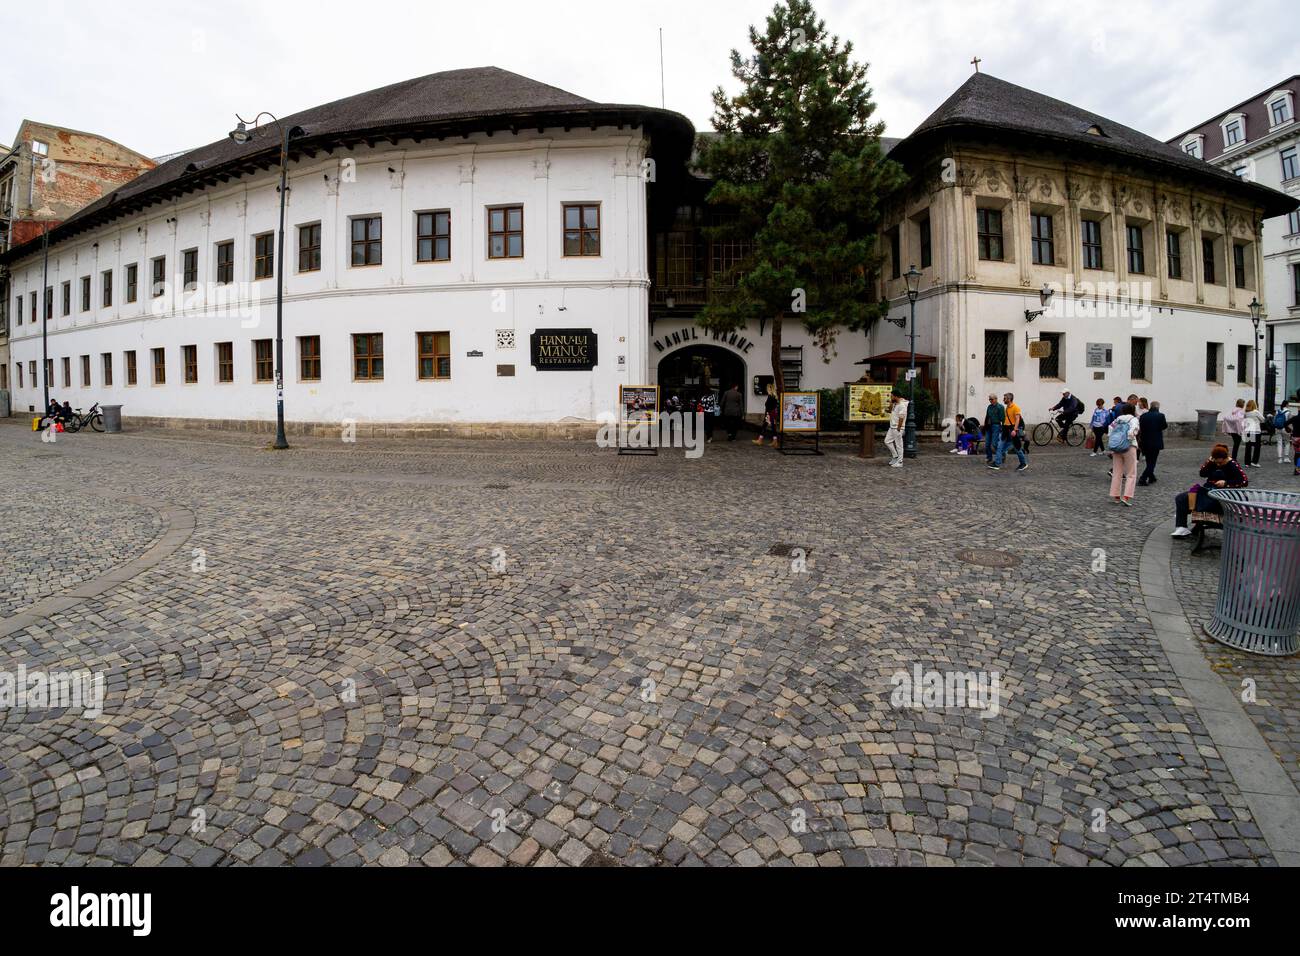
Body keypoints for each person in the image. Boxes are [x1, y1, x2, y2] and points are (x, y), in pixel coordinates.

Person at [1171, 444, 1249, 537]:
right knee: (1181, 498)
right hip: (1207, 490)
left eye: (1221, 463)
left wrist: (1226, 483)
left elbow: (1244, 481)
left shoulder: (1232, 464)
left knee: (1200, 498)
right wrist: (1208, 462)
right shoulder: (1213, 462)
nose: (1218, 465)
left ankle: (1187, 510)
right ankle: (1181, 527)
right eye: (1217, 462)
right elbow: (1202, 473)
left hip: (1222, 496)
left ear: (1225, 458)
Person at [1107, 403, 1140, 506]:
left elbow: (1110, 428)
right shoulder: (1133, 419)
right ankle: (1126, 497)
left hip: (1116, 448)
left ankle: (1116, 496)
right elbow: (1134, 430)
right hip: (1129, 447)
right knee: (1131, 473)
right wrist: (1129, 437)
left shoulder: (1118, 419)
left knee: (1117, 472)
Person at [994, 391, 1028, 472]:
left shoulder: (1015, 407)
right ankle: (997, 463)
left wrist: (1015, 430)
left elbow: (1017, 419)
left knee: (1017, 448)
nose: (1003, 400)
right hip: (1006, 430)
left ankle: (1023, 463)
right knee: (1000, 446)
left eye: (1005, 398)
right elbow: (1007, 420)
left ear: (1009, 399)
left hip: (1012, 430)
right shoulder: (1007, 408)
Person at [1137, 401, 1167, 486]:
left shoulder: (1143, 416)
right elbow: (1164, 426)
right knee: (1152, 462)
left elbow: (1141, 427)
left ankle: (1151, 477)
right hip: (1155, 441)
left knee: (1149, 461)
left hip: (1144, 442)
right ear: (1158, 407)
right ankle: (1143, 478)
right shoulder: (1161, 416)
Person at [885, 392, 908, 467]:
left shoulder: (902, 405)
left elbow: (902, 417)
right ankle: (895, 456)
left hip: (897, 428)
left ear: (896, 396)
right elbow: (889, 410)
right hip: (892, 427)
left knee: (899, 445)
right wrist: (891, 403)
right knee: (887, 441)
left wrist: (899, 428)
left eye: (891, 396)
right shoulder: (895, 404)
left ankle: (900, 462)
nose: (890, 397)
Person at [983, 393, 1005, 466]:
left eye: (991, 399)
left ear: (996, 399)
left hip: (996, 426)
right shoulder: (989, 407)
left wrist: (1003, 428)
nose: (990, 401)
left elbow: (1003, 419)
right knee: (987, 444)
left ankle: (1002, 454)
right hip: (989, 426)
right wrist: (985, 426)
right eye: (989, 399)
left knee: (994, 444)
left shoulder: (1000, 407)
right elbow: (987, 416)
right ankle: (989, 457)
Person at [1242, 400, 1265, 468]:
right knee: (1257, 447)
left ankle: (1247, 463)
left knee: (1248, 447)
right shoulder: (1256, 412)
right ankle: (1254, 461)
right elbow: (1263, 419)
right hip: (1256, 431)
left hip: (1248, 431)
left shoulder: (1246, 412)